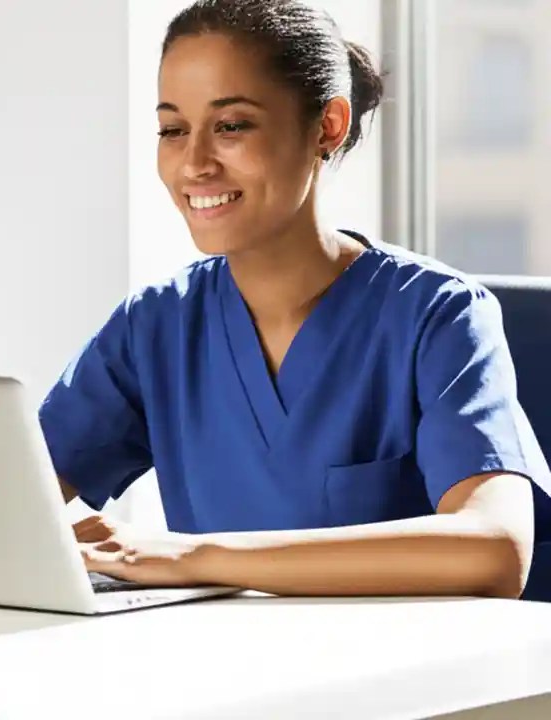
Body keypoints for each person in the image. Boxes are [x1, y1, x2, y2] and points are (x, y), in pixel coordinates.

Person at [39, 0, 551, 601]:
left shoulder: (437, 315)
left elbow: (495, 549)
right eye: (173, 130)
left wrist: (193, 554)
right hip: (217, 676)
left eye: (231, 126)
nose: (195, 162)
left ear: (327, 126)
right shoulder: (155, 325)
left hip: (402, 682)